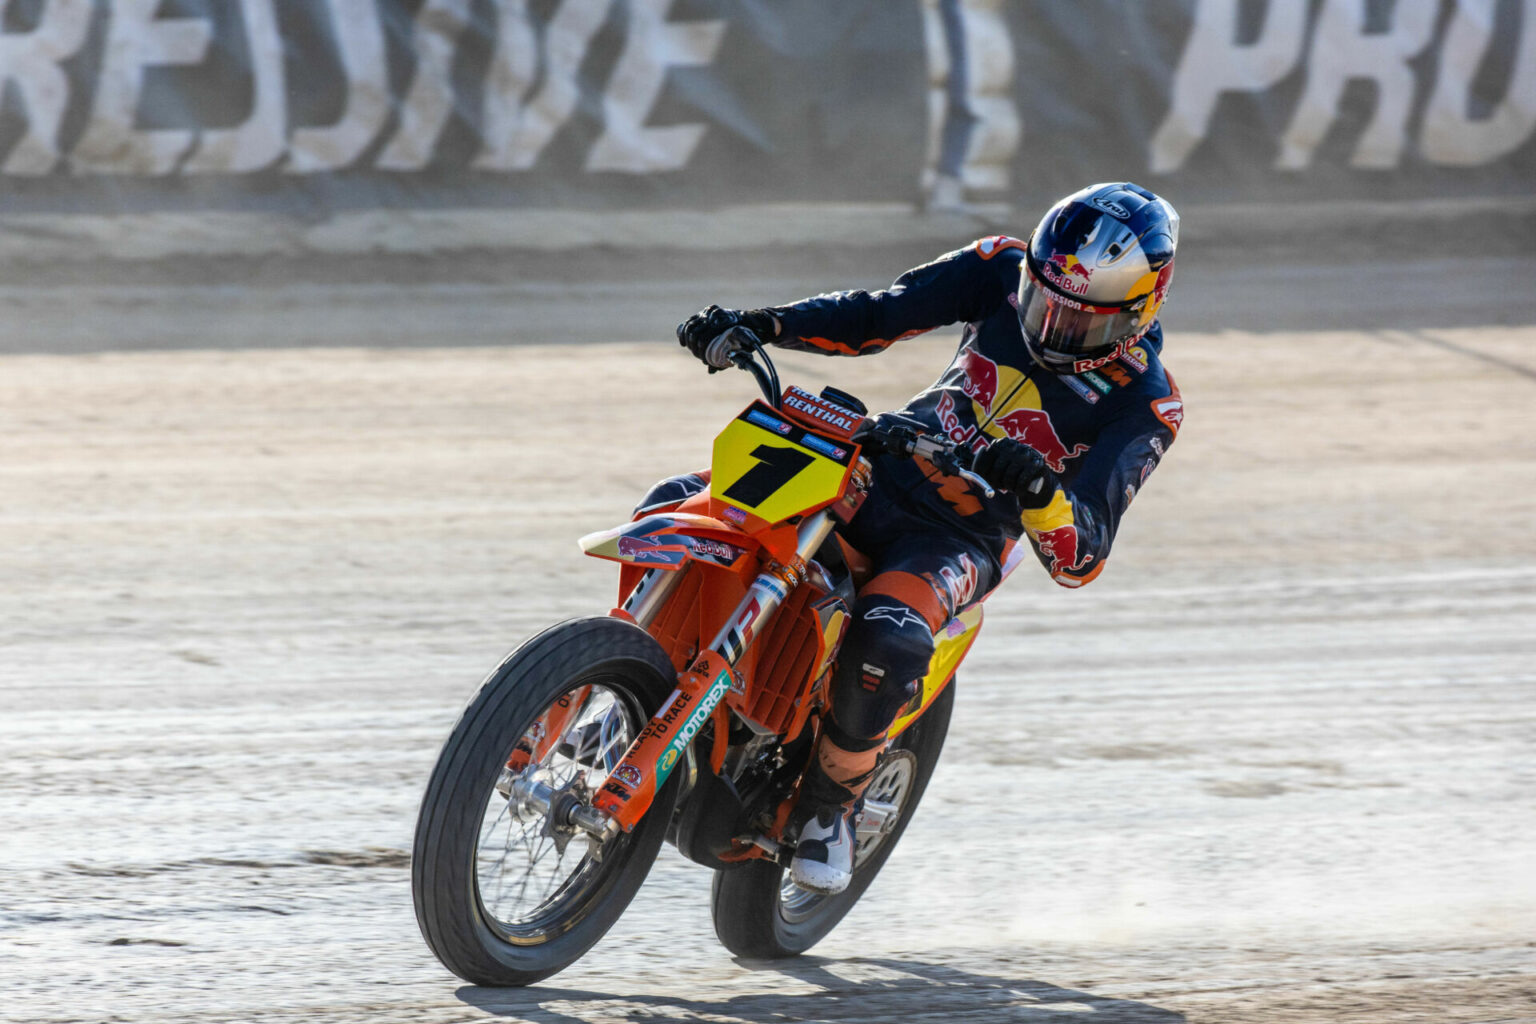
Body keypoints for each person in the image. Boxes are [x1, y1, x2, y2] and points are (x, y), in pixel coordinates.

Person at [675, 182, 1184, 895]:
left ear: (1141, 307)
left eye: (1077, 319)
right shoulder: (997, 266)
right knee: (688, 503)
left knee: (887, 637)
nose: (1049, 324)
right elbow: (880, 312)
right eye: (1042, 299)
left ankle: (830, 810)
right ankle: (639, 677)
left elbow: (1084, 554)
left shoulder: (1147, 404)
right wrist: (763, 325)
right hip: (878, 461)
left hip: (959, 538)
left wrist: (1039, 492)